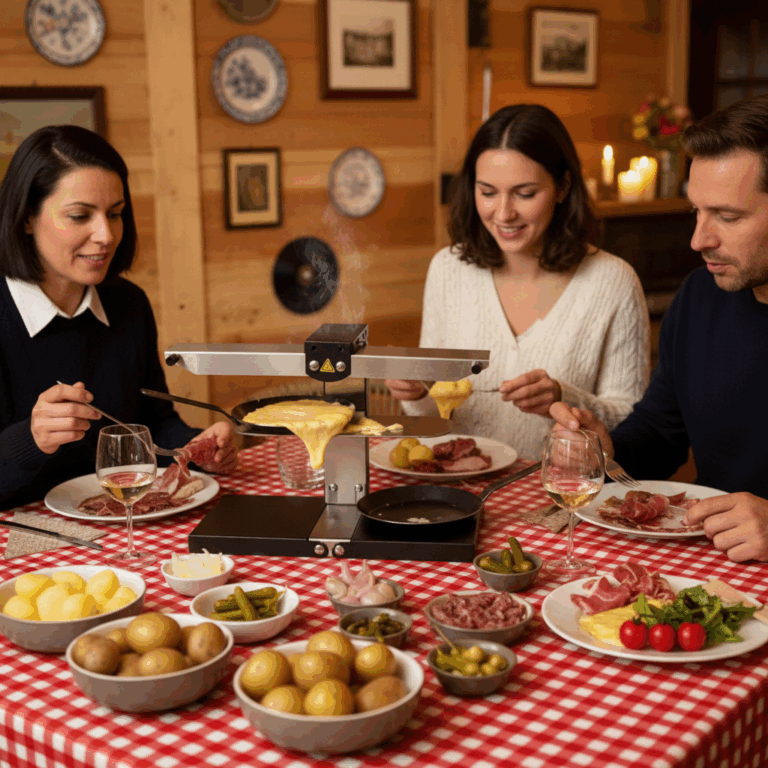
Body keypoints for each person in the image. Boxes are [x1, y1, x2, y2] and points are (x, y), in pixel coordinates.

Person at [550, 94, 768, 563]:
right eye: (697, 212)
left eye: (728, 217)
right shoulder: (699, 295)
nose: (699, 240)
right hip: (707, 566)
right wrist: (608, 449)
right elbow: (661, 432)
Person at [386, 104, 650, 459]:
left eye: (524, 194)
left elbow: (634, 425)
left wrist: (563, 397)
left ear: (562, 187)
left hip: (559, 489)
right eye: (487, 192)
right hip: (460, 484)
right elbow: (435, 419)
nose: (504, 213)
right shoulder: (448, 270)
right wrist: (417, 393)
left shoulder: (613, 282)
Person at [0, 125, 238, 510]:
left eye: (115, 214)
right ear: (27, 217)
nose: (106, 235)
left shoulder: (128, 303)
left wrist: (196, 448)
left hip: (120, 525)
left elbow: (152, 423)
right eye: (80, 216)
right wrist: (31, 440)